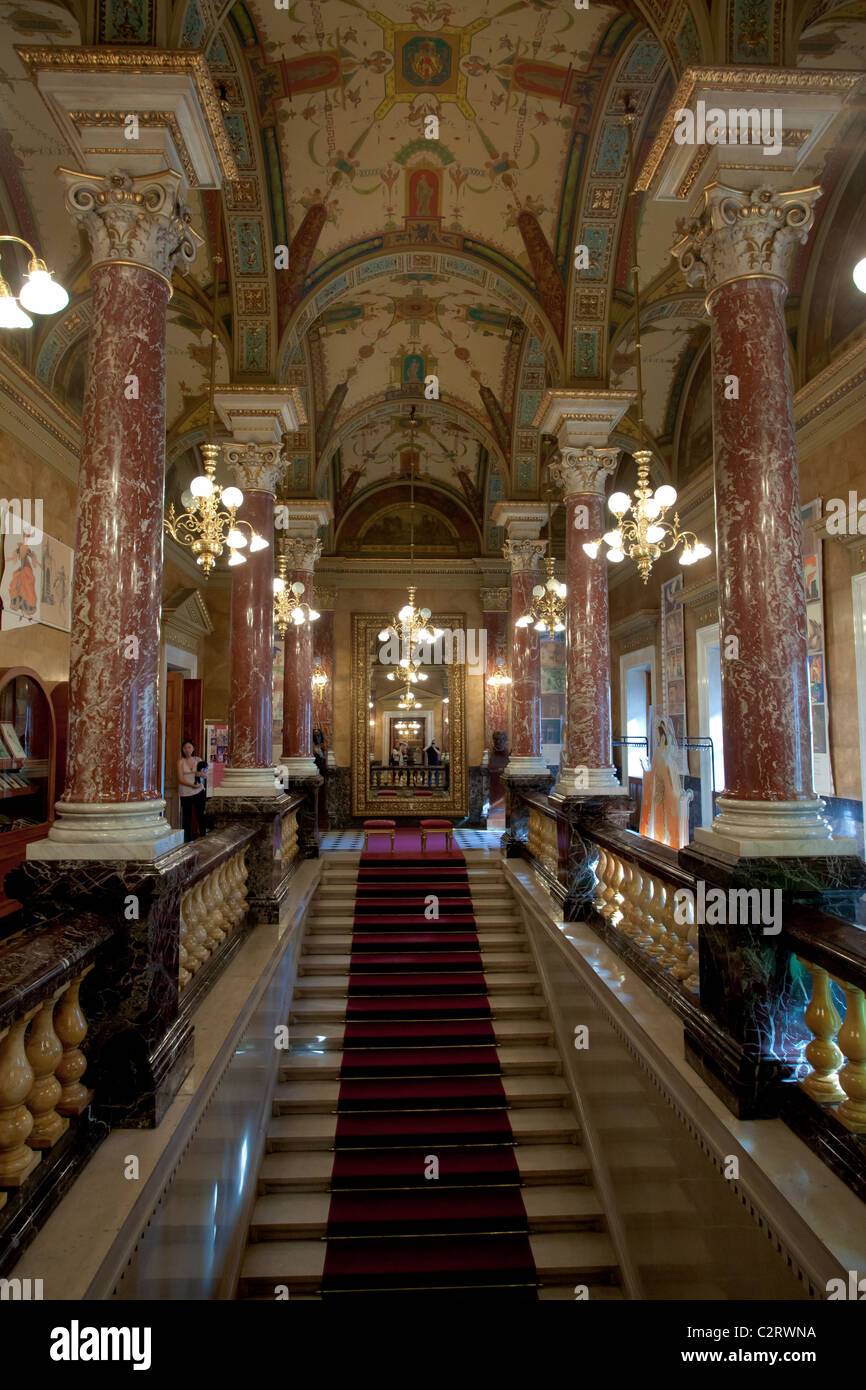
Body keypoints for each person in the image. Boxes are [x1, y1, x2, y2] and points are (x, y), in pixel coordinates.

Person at [178, 739, 208, 841]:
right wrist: (192, 785)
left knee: (200, 814)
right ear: (182, 749)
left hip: (199, 792)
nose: (187, 750)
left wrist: (201, 775)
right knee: (187, 817)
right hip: (185, 793)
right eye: (185, 748)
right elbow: (180, 779)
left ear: (193, 748)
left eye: (189, 747)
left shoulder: (198, 760)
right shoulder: (180, 762)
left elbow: (205, 774)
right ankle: (188, 840)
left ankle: (203, 836)